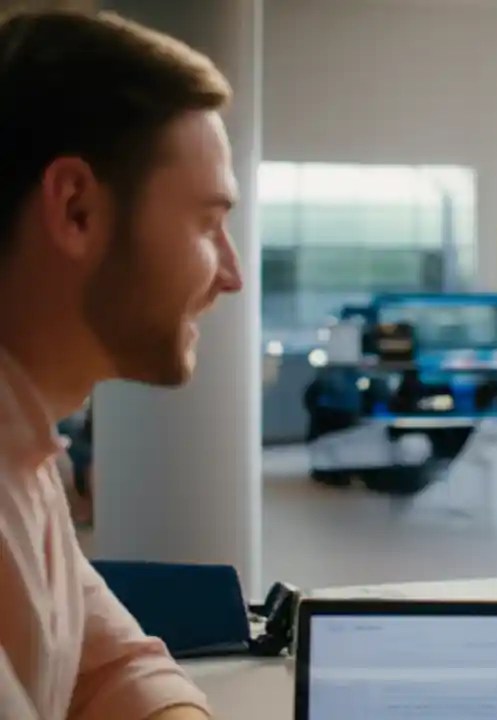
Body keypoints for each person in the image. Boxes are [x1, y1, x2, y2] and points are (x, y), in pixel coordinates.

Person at [0, 10, 243, 720]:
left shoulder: (24, 451)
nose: (231, 276)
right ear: (76, 209)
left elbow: (108, 667)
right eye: (207, 223)